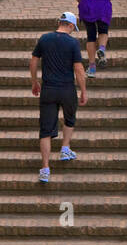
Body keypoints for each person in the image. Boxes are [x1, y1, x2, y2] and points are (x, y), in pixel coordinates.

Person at [29, 11, 87, 183]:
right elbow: (79, 69)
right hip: (67, 89)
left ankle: (45, 168)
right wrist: (83, 90)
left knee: (45, 130)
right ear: (69, 25)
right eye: (73, 27)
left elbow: (33, 61)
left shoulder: (45, 39)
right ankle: (65, 147)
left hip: (48, 89)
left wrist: (34, 81)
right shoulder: (73, 43)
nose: (72, 31)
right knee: (70, 118)